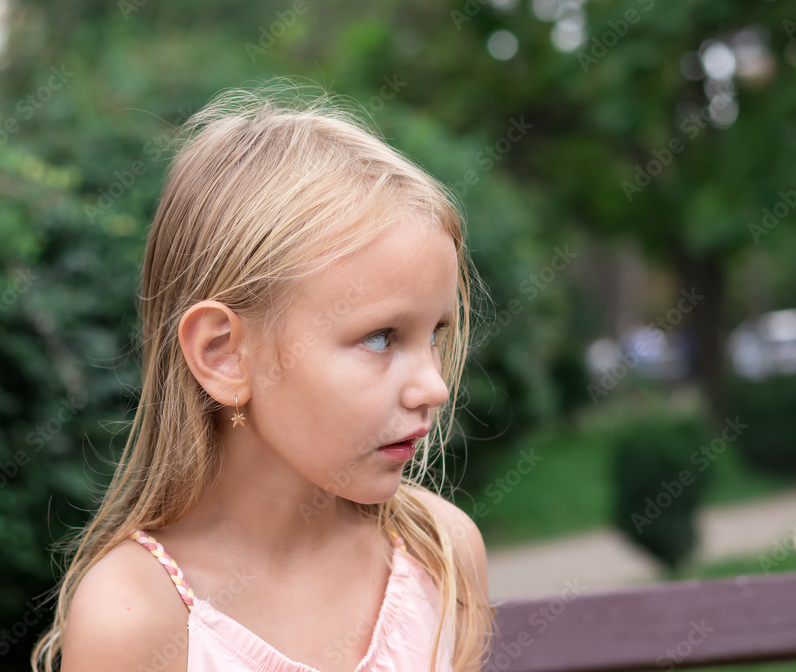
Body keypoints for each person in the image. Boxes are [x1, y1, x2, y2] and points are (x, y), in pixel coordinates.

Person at [30, 81, 495, 672]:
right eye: (380, 338)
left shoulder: (444, 553)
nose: (434, 386)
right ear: (225, 354)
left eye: (435, 335)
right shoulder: (136, 618)